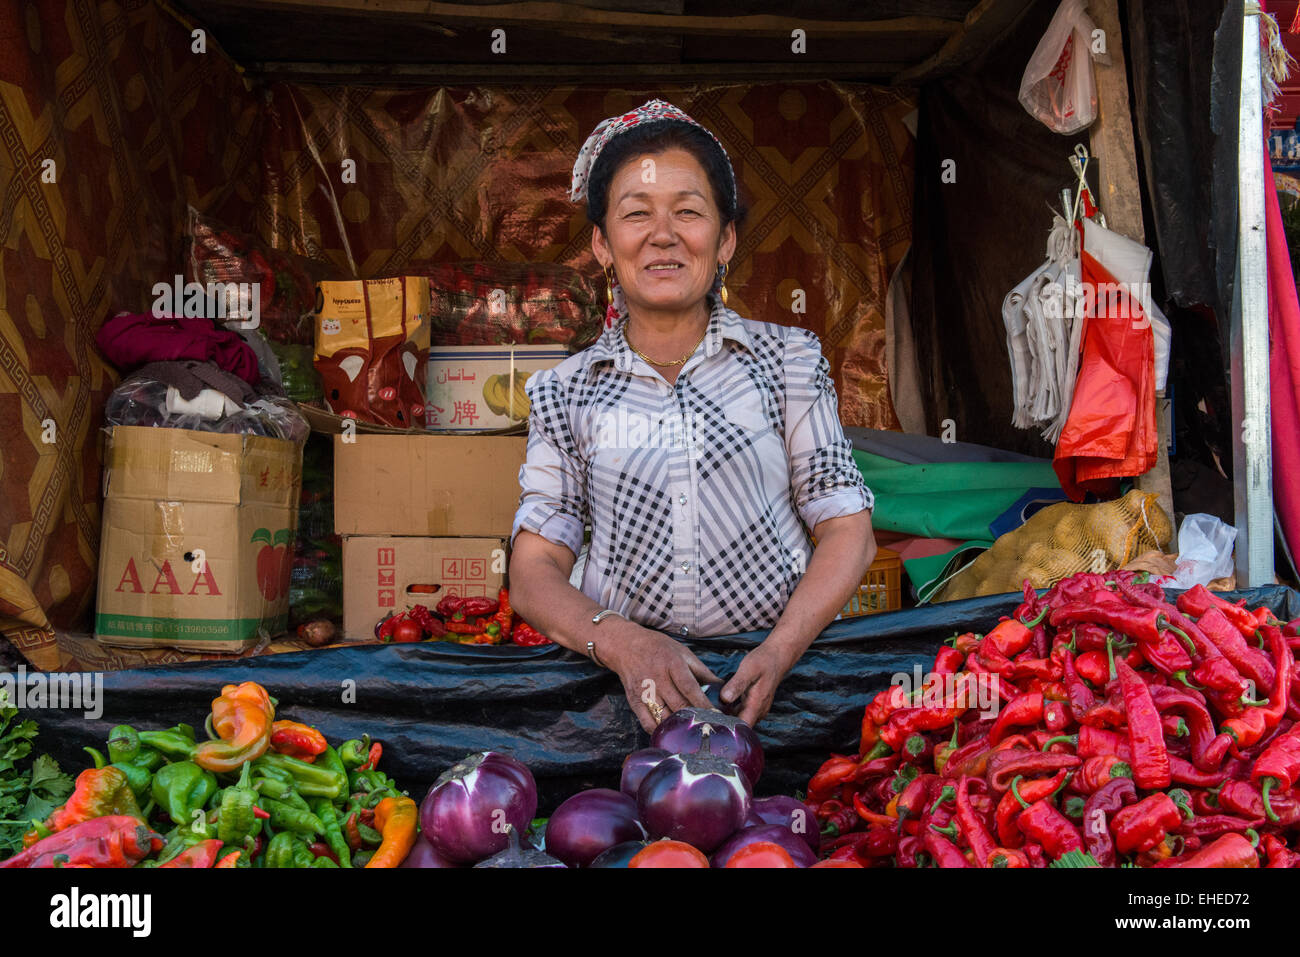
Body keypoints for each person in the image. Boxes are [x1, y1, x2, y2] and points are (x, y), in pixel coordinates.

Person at [508, 98, 876, 732]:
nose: (663, 234)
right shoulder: (563, 392)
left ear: (725, 237)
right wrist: (625, 645)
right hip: (622, 693)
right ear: (602, 244)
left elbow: (848, 528)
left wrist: (780, 648)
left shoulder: (787, 361)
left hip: (779, 687)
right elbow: (534, 571)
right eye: (636, 215)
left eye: (688, 211)